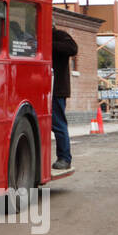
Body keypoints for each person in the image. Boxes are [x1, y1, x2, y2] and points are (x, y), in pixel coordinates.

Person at [51, 26, 78, 170]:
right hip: (44, 89)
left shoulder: (60, 35)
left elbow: (73, 48)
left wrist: (48, 44)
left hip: (57, 89)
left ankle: (64, 158)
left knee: (58, 125)